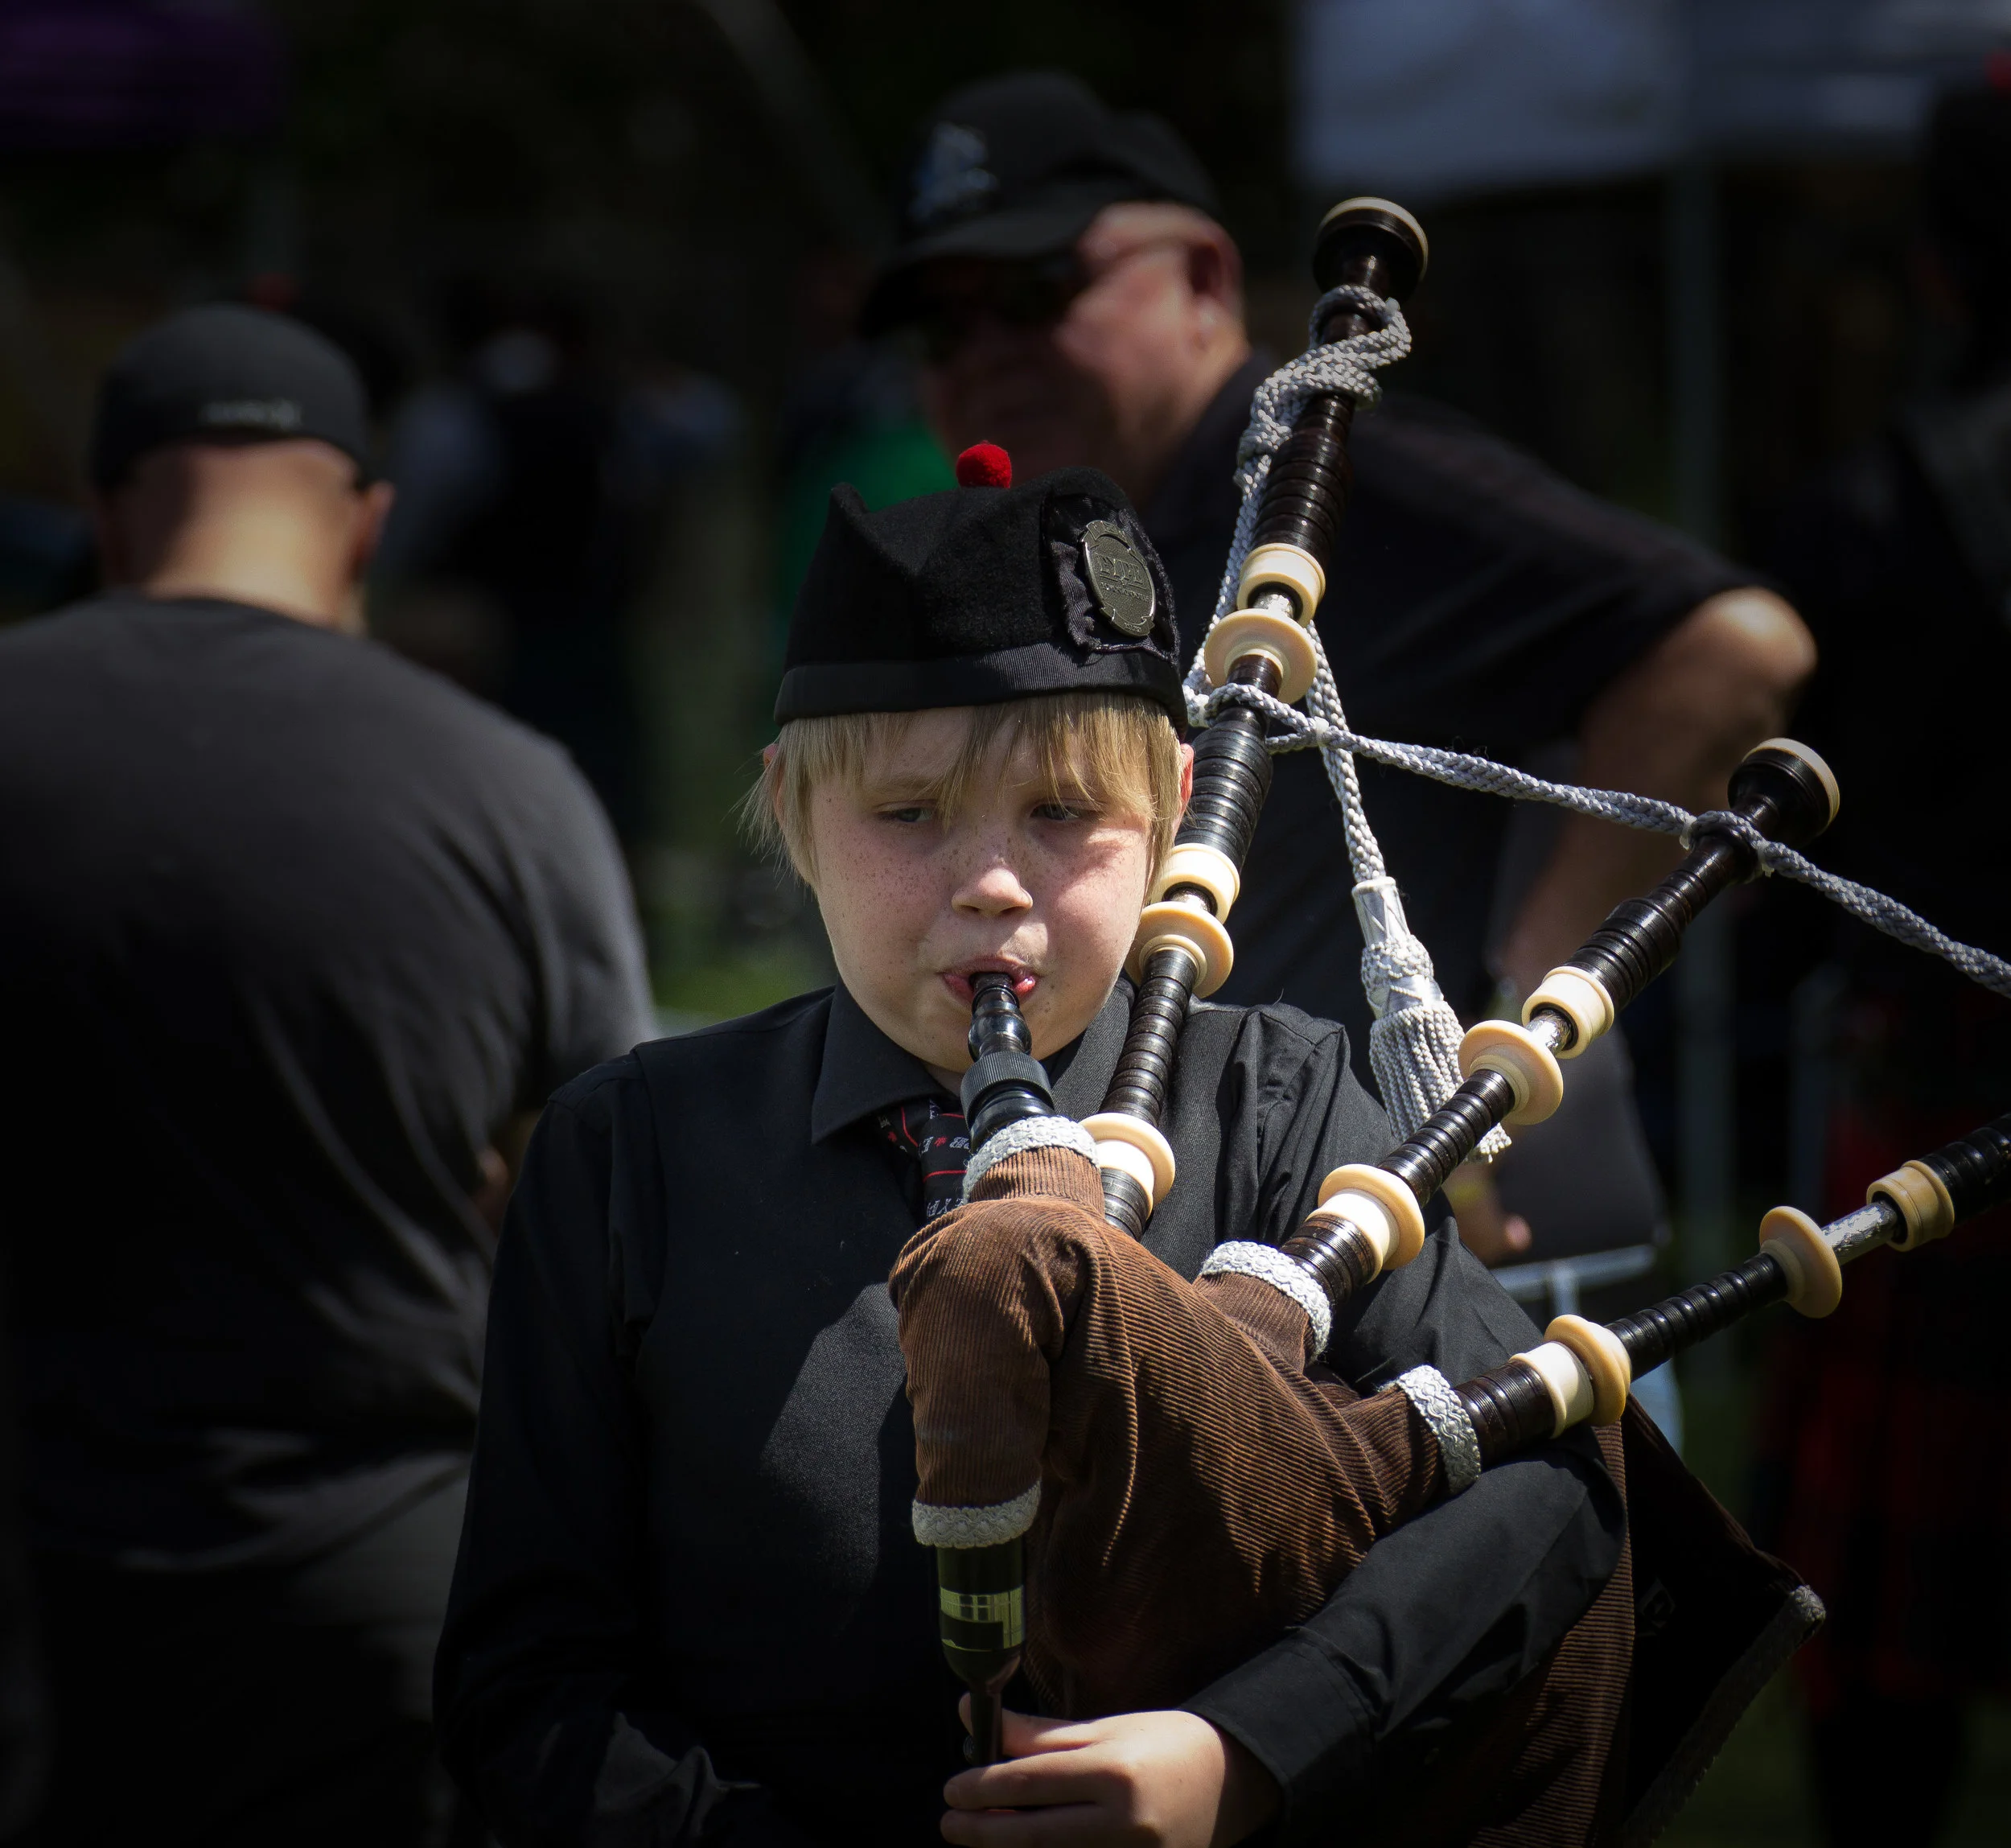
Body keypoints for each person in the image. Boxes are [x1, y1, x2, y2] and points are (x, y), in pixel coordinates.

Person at [435, 459, 1635, 1846]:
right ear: (793, 813)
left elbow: (1549, 1486)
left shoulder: (1285, 1104)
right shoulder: (628, 1151)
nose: (992, 880)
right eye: (907, 814)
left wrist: (1251, 1751)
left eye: (1063, 814)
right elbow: (527, 1683)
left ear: (1174, 805)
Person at [861, 72, 1817, 1432]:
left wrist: (1517, 1020)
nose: (980, 351)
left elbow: (1735, 647)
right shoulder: (1066, 540)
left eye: (1030, 292)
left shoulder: (1350, 475)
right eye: (935, 323)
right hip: (1202, 1248)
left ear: (1197, 273)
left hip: (1442, 1247)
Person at [0, 305, 656, 1846]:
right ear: (364, 523)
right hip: (369, 1599)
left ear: (106, 514)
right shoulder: (509, 791)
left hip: (25, 1591)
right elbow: (621, 1200)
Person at [1752, 84, 2011, 1848]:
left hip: (1927, 1104)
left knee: (1886, 1702)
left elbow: (1785, 872)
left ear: (1933, 270)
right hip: (1935, 1110)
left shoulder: (1856, 516)